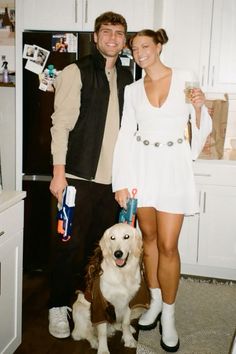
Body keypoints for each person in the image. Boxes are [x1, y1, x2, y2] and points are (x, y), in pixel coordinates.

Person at [112, 29, 212, 352]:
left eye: (145, 46)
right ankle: (154, 302)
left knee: (169, 245)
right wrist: (121, 183)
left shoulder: (185, 76)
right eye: (135, 48)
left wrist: (199, 107)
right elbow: (126, 135)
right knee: (149, 239)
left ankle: (169, 315)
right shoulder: (132, 89)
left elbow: (200, 127)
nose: (140, 52)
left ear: (159, 46)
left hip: (172, 167)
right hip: (142, 167)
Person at [48, 11, 133, 339]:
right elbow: (61, 124)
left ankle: (90, 304)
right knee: (67, 244)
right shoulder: (76, 71)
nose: (113, 37)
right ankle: (58, 306)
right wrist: (59, 173)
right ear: (95, 37)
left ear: (124, 41)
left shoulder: (127, 78)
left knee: (101, 251)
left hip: (112, 184)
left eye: (119, 33)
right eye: (107, 32)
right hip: (77, 178)